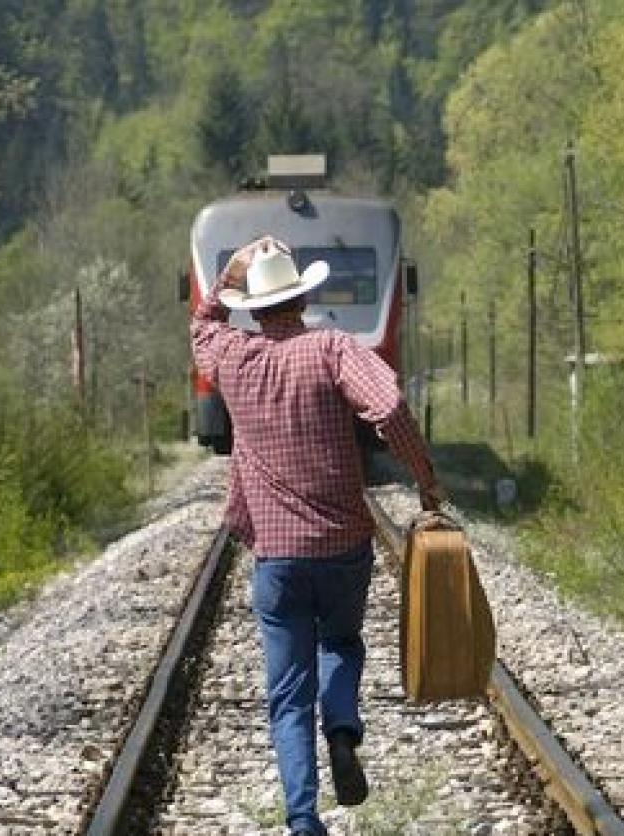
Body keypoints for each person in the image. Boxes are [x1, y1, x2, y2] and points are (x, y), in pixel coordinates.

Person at [190, 236, 445, 836]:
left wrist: (227, 275)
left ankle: (304, 819)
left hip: (276, 557)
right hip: (342, 548)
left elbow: (201, 328)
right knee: (342, 644)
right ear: (302, 299)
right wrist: (425, 479)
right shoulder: (332, 349)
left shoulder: (233, 357)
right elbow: (387, 409)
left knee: (286, 695)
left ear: (253, 308)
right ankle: (342, 731)